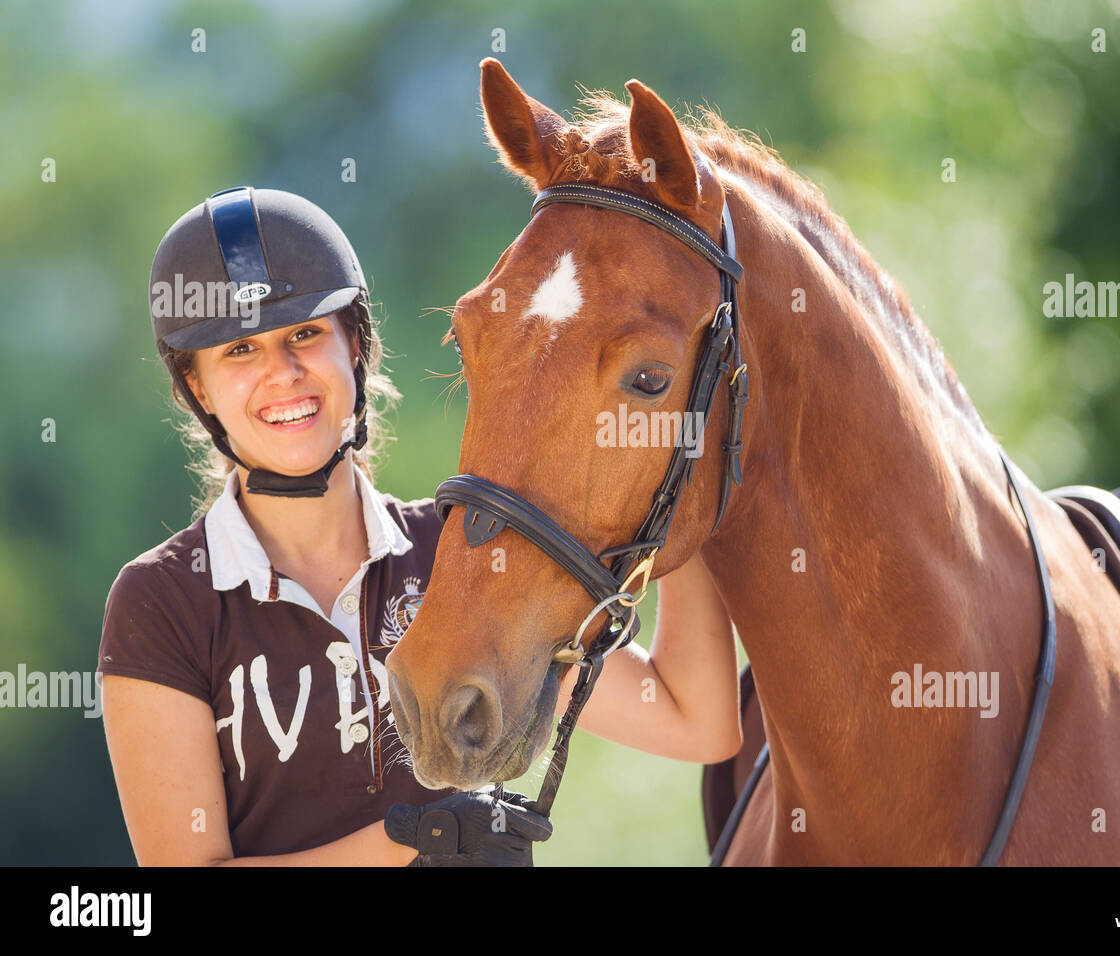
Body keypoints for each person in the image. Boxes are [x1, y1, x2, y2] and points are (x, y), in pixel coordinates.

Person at [99, 186, 741, 866]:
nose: (282, 375)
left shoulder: (463, 556)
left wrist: (671, 468)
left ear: (355, 344)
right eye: (239, 352)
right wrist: (412, 837)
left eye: (304, 334)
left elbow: (693, 721)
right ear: (198, 389)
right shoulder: (160, 602)